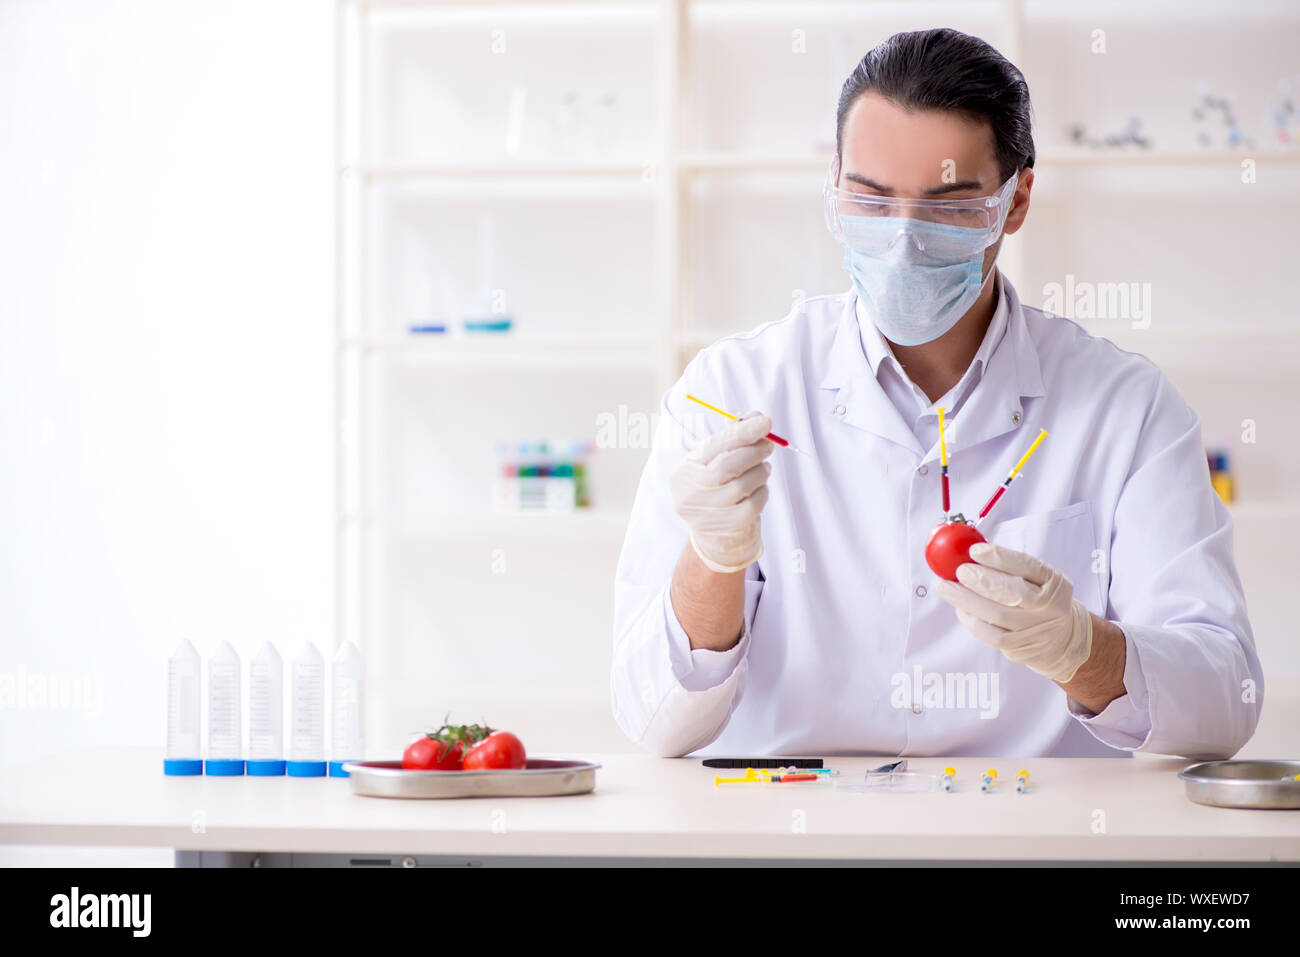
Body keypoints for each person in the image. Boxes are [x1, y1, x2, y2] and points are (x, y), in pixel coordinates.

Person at [610, 28, 1261, 760]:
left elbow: (1225, 699)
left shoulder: (1127, 408)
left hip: (1030, 837)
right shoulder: (730, 391)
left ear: (1015, 203)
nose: (903, 240)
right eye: (870, 198)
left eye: (950, 207)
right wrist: (714, 559)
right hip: (792, 834)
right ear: (834, 184)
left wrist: (1082, 649)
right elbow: (653, 721)